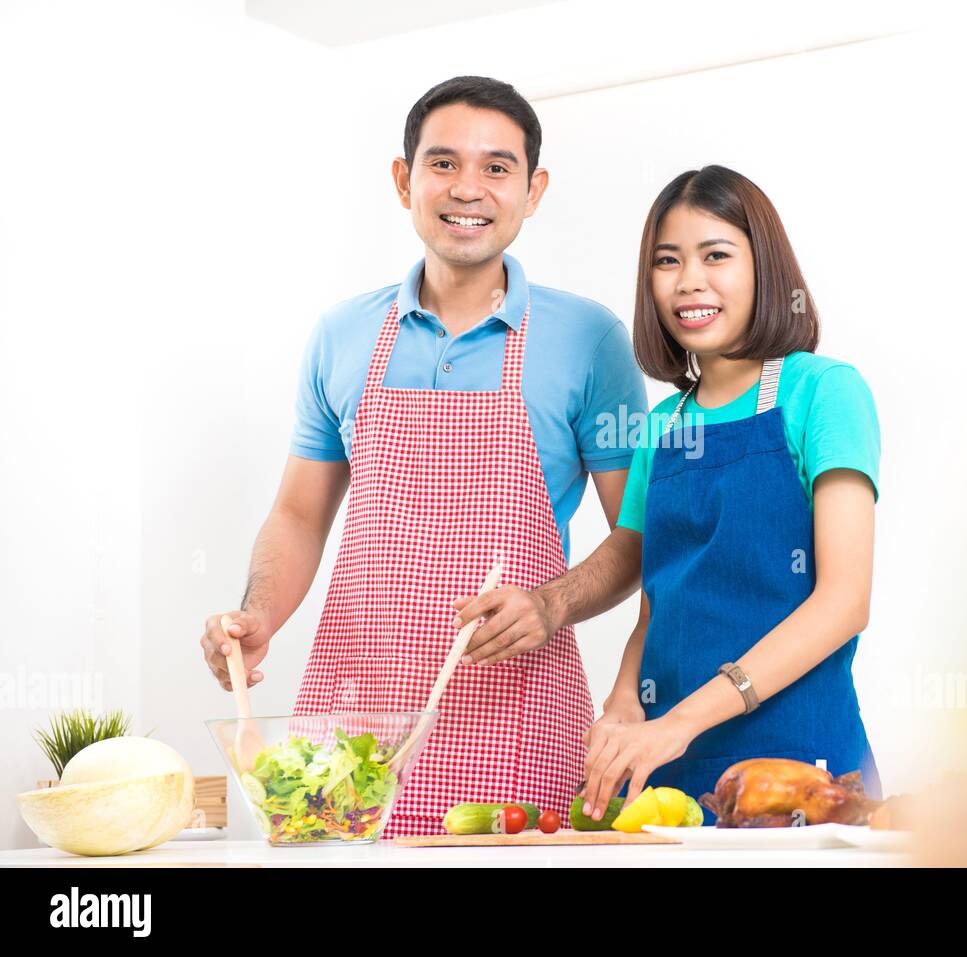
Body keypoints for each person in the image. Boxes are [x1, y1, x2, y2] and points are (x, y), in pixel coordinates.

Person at [198, 76, 647, 837]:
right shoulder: (341, 335)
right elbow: (298, 513)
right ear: (405, 180)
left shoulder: (589, 339)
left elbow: (640, 535)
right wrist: (257, 613)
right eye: (443, 163)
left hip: (517, 719)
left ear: (533, 190)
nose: (467, 188)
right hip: (352, 729)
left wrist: (550, 604)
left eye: (497, 168)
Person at [460, 165, 883, 826]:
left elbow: (843, 601)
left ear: (764, 266)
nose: (690, 281)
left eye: (716, 255)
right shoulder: (660, 426)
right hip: (668, 768)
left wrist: (680, 719)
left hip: (798, 764)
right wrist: (627, 699)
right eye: (668, 260)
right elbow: (663, 595)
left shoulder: (824, 392)